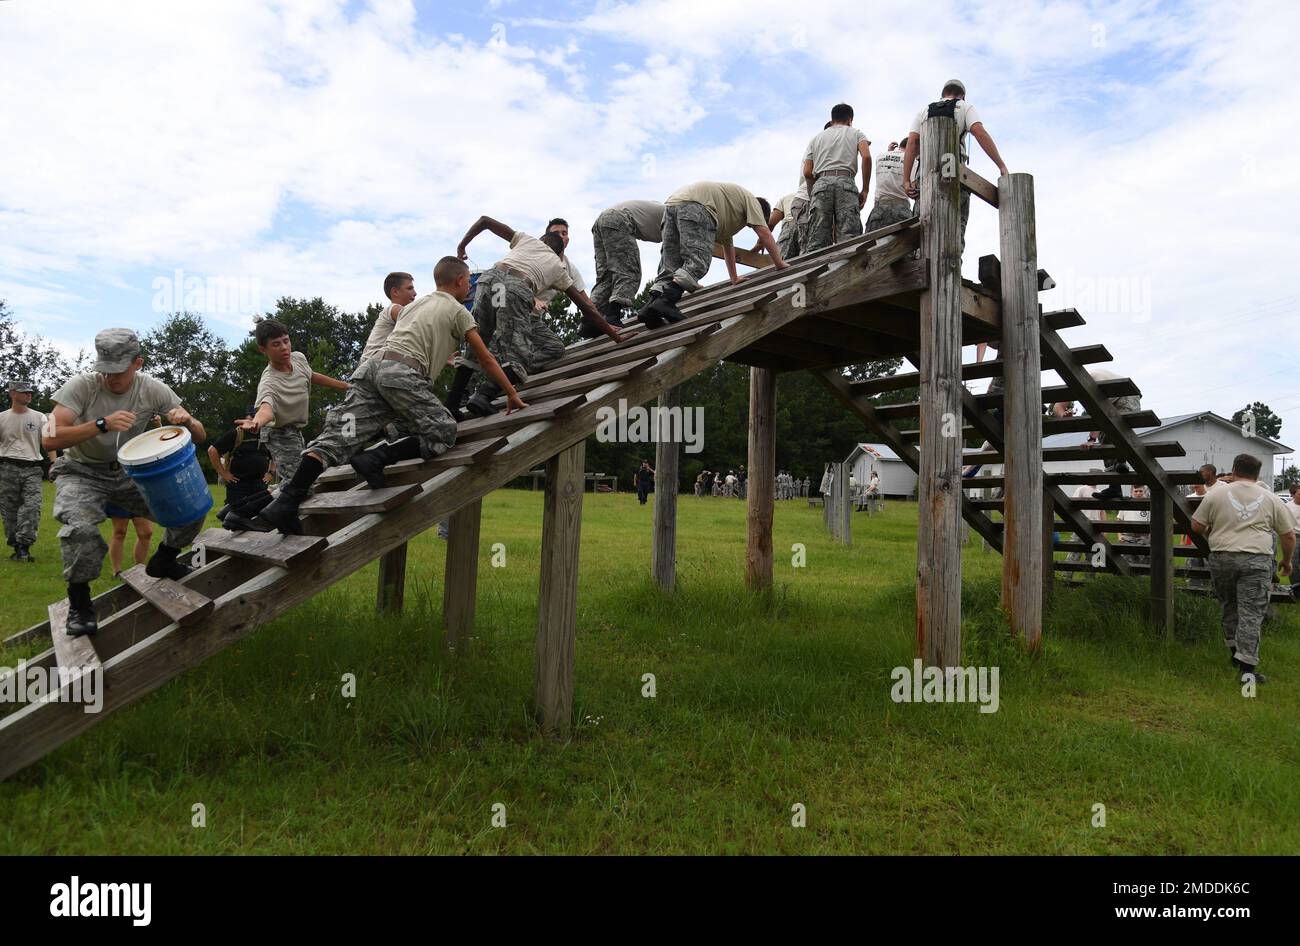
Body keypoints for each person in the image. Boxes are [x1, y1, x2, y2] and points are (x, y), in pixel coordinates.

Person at [257, 258, 526, 535]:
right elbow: (487, 359)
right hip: (402, 375)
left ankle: (286, 502)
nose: (469, 286)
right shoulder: (460, 312)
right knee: (444, 430)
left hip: (373, 370)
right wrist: (511, 392)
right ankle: (378, 457)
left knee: (336, 439)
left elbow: (416, 336)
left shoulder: (415, 306)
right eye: (468, 280)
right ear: (459, 281)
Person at [43, 329, 209, 636]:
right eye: (105, 370)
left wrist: (187, 421)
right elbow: (49, 436)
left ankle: (164, 560)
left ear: (137, 363)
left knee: (192, 509)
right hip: (80, 471)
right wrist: (100, 425)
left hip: (126, 473)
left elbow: (200, 436)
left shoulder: (153, 390)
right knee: (79, 529)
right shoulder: (80, 387)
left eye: (119, 371)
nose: (111, 378)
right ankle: (79, 604)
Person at [448, 216, 621, 418]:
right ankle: (484, 394)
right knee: (519, 358)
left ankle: (452, 404)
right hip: (515, 290)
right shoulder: (559, 268)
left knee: (477, 341)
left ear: (542, 241)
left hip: (491, 282)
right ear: (558, 251)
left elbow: (485, 221)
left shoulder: (527, 240)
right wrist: (615, 335)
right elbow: (587, 308)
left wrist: (462, 246)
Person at [1190, 453, 1295, 684]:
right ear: (1257, 474)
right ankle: (1247, 670)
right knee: (1251, 613)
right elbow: (1288, 536)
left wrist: (1214, 532)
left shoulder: (1215, 494)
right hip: (1256, 560)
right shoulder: (1271, 498)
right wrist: (1286, 561)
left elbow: (1196, 525)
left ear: (1234, 469)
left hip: (1222, 558)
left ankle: (1234, 655)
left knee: (1229, 606)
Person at [637, 181, 788, 328]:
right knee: (698, 261)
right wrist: (780, 264)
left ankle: (650, 310)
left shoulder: (729, 211)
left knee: (671, 263)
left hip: (673, 204)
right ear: (761, 213)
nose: (750, 226)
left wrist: (734, 278)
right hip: (696, 206)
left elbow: (728, 247)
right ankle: (666, 301)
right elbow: (764, 233)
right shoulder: (753, 202)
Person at [239, 319, 351, 485]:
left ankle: (252, 504)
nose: (284, 347)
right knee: (301, 483)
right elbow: (266, 410)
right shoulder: (269, 382)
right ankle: (246, 510)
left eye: (286, 341)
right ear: (264, 350)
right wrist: (255, 423)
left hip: (295, 430)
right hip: (279, 433)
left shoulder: (298, 358)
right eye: (276, 344)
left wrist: (346, 386)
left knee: (301, 479)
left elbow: (311, 374)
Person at [902, 79, 1009, 250]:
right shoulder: (965, 107)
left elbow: (912, 142)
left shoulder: (924, 111)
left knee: (924, 228)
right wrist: (1001, 165)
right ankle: (953, 265)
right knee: (954, 229)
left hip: (925, 175)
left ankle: (924, 266)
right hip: (954, 174)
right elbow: (979, 132)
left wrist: (906, 180)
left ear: (942, 94)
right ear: (963, 96)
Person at [802, 103, 871, 253]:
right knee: (849, 237)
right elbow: (866, 157)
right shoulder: (856, 133)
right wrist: (865, 189)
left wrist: (814, 192)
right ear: (850, 119)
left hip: (821, 184)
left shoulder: (816, 138)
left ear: (832, 119)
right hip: (845, 182)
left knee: (817, 239)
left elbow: (807, 172)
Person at [589, 201, 664, 333]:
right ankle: (613, 315)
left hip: (602, 220)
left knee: (606, 277)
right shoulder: (676, 218)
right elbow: (673, 257)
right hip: (619, 219)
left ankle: (589, 320)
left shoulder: (663, 210)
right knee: (629, 271)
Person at [1, 379, 53, 563]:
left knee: (32, 507)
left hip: (32, 469)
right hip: (7, 468)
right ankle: (16, 546)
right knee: (9, 511)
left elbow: (48, 443)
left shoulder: (41, 417)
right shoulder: (2, 418)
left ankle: (24, 546)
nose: (29, 394)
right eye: (24, 392)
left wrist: (54, 464)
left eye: (30, 392)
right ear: (12, 393)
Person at [208, 406, 275, 531]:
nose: (254, 419)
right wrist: (223, 473)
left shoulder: (265, 435)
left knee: (257, 519)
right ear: (247, 417)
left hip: (259, 484)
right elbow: (212, 451)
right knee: (235, 522)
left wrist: (271, 472)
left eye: (257, 416)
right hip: (238, 484)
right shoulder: (237, 433)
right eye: (252, 416)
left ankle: (226, 511)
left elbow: (274, 455)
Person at [359, 272, 418, 367]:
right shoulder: (395, 308)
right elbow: (420, 325)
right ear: (395, 292)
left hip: (370, 365)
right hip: (373, 365)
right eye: (409, 288)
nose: (415, 293)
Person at [864, 139, 915, 233]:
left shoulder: (880, 157)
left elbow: (889, 169)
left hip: (878, 210)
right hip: (901, 210)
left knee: (873, 246)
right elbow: (914, 186)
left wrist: (890, 152)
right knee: (901, 246)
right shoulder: (912, 160)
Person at [1064, 483, 1105, 580]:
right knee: (1074, 553)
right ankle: (1066, 577)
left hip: (1095, 528)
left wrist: (1103, 527)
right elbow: (1072, 505)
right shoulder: (1081, 489)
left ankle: (1089, 580)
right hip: (1080, 526)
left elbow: (1102, 511)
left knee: (1093, 554)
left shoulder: (1100, 493)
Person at [105, 503, 153, 578]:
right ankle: (117, 572)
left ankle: (139, 569)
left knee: (146, 533)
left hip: (139, 495)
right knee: (120, 532)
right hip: (119, 495)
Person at [1117, 484, 1150, 566]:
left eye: (1140, 491)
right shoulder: (1126, 504)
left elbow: (1153, 523)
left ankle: (1141, 576)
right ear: (1131, 492)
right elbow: (1119, 520)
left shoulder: (1148, 505)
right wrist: (1119, 536)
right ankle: (1128, 576)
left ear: (1144, 492)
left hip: (1143, 537)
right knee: (1127, 560)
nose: (1138, 493)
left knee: (1143, 560)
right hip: (1127, 536)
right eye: (1136, 491)